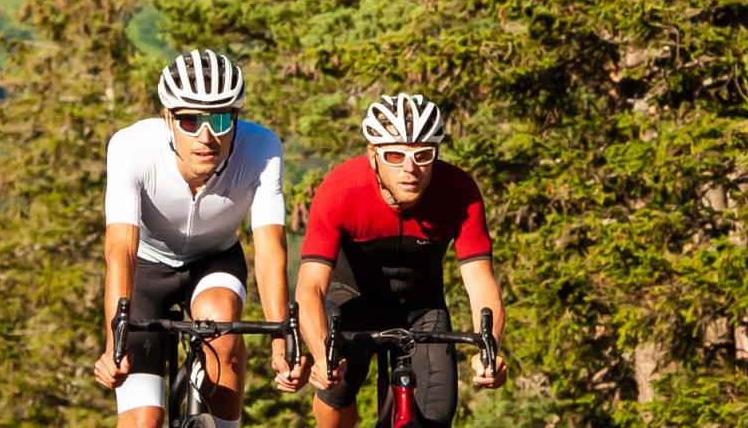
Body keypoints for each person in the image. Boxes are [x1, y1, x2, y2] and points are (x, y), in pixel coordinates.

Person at [95, 48, 306, 427]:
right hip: (146, 269)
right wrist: (116, 342)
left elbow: (270, 249)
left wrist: (280, 339)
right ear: (167, 118)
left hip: (214, 261)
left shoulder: (261, 149)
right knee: (144, 421)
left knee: (221, 321)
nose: (206, 137)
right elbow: (121, 250)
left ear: (237, 119)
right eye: (190, 121)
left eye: (221, 119)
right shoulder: (131, 147)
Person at [295, 93, 507, 428]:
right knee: (335, 387)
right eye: (395, 155)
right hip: (353, 301)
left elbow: (482, 283)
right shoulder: (341, 190)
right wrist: (321, 357)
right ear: (373, 154)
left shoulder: (459, 192)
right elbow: (310, 288)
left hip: (421, 309)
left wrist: (489, 352)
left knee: (436, 415)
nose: (410, 169)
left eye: (423, 156)